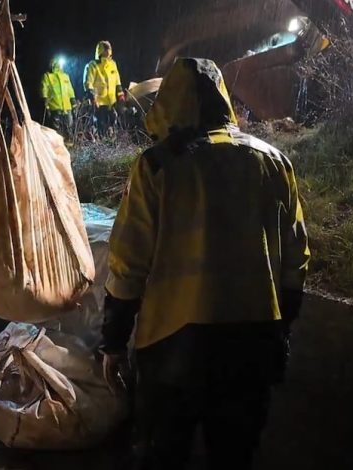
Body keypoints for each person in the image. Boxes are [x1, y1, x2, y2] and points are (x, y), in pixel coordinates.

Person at [98, 58, 310, 470]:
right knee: (234, 456)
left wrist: (113, 341)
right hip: (253, 345)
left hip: (174, 349)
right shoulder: (274, 162)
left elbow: (127, 264)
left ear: (169, 103)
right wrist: (282, 328)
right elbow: (296, 259)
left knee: (164, 455)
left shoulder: (159, 166)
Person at [83, 40, 125, 138]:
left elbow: (117, 81)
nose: (108, 54)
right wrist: (93, 97)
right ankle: (101, 146)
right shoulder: (92, 65)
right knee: (100, 125)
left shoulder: (113, 64)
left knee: (113, 122)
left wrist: (121, 95)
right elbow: (88, 83)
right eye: (106, 51)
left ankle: (111, 143)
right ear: (100, 52)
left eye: (109, 52)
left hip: (111, 102)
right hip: (99, 103)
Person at [41, 56, 76, 138]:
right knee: (56, 130)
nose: (60, 65)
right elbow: (44, 89)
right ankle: (57, 147)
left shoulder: (65, 76)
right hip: (55, 107)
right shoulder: (48, 76)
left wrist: (73, 100)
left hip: (67, 107)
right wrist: (45, 101)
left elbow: (70, 90)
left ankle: (68, 146)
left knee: (68, 127)